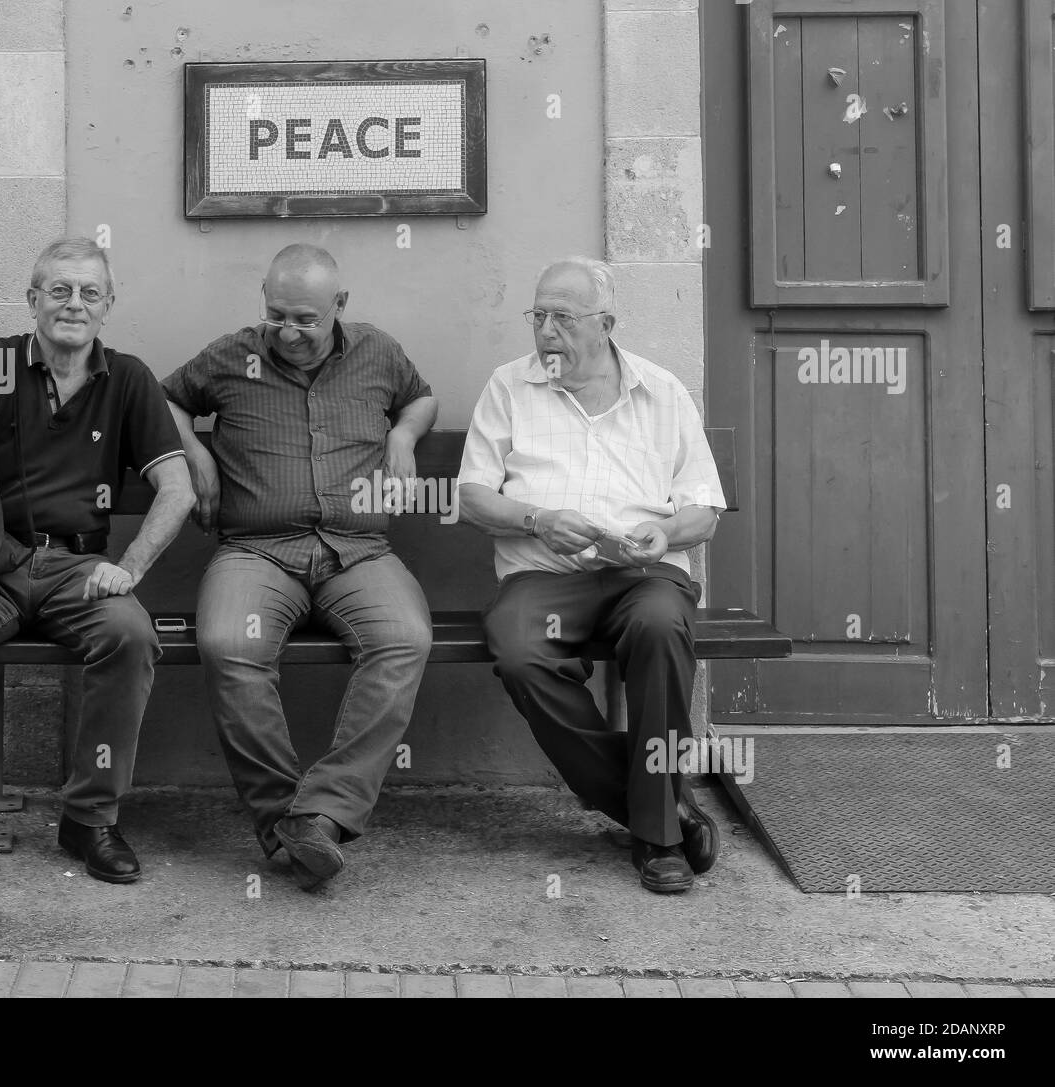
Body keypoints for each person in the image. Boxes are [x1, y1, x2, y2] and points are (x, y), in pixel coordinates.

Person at [0, 238, 195, 887]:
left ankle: (89, 815)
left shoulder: (128, 378)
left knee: (130, 632)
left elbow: (178, 489)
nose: (73, 303)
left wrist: (132, 566)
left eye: (89, 291)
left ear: (108, 305)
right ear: (33, 298)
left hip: (76, 569)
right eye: (58, 289)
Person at [163, 244, 437, 890]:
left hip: (358, 551)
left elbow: (421, 398)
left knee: (405, 639)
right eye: (277, 314)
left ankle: (321, 813)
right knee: (230, 644)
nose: (288, 331)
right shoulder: (231, 355)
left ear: (340, 305)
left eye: (306, 319)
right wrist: (196, 454)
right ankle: (283, 816)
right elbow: (166, 399)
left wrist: (402, 434)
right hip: (257, 550)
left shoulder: (378, 352)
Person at [457, 257, 726, 894]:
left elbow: (704, 508)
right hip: (544, 577)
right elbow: (471, 496)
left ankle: (658, 841)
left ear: (605, 324)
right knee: (521, 652)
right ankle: (659, 806)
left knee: (661, 628)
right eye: (537, 316)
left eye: (562, 318)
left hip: (644, 575)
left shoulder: (661, 391)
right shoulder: (509, 386)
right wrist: (535, 519)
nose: (546, 331)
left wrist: (666, 532)